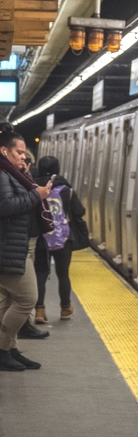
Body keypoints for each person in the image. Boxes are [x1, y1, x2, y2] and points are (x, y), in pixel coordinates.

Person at [0, 125, 51, 370]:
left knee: (8, 301)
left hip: (13, 246)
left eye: (24, 152)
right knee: (27, 298)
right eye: (18, 152)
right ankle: (2, 349)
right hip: (7, 247)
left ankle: (10, 350)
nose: (24, 156)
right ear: (4, 150)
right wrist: (36, 195)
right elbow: (5, 206)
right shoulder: (2, 174)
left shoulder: (13, 173)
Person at [33, 156, 83, 324]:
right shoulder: (66, 189)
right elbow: (79, 211)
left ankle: (39, 310)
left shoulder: (33, 187)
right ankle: (65, 308)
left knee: (40, 273)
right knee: (63, 274)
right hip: (63, 237)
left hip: (41, 238)